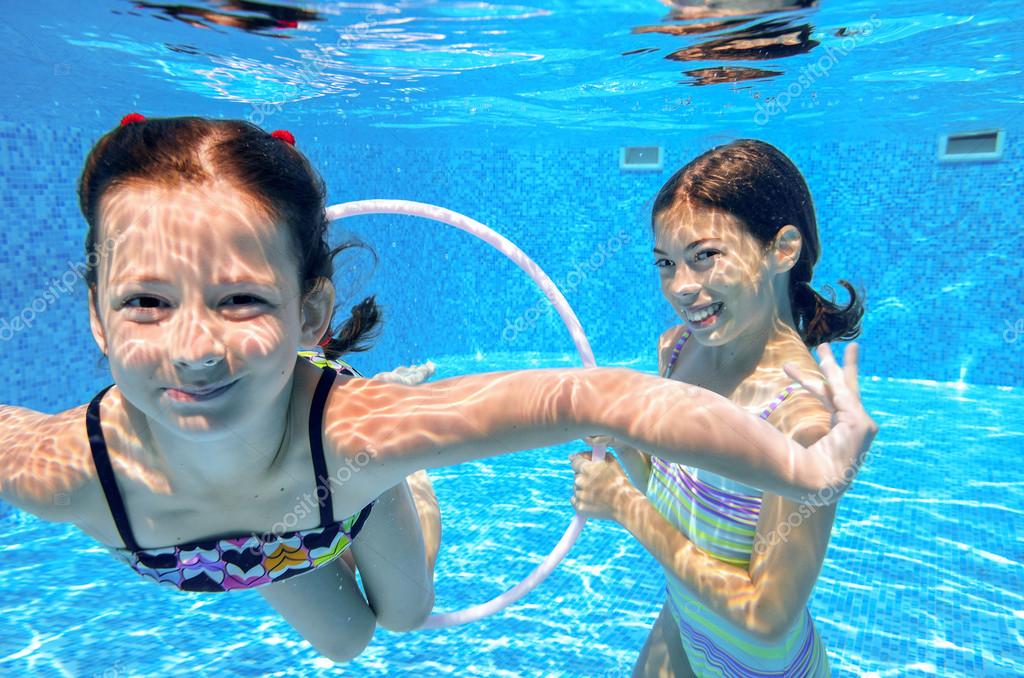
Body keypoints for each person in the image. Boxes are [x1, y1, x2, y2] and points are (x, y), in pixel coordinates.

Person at [0, 116, 877, 664]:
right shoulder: (60, 468)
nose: (193, 351)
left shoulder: (357, 437)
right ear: (94, 314)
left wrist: (804, 471)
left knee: (391, 622)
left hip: (321, 498)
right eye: (146, 301)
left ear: (310, 312)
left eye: (240, 301)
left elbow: (592, 397)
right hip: (247, 542)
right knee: (348, 640)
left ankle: (401, 493)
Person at [570, 139, 865, 676]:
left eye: (705, 256)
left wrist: (622, 508)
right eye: (666, 263)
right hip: (685, 622)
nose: (682, 287)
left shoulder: (800, 418)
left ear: (782, 250)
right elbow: (680, 496)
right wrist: (623, 448)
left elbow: (766, 615)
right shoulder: (677, 350)